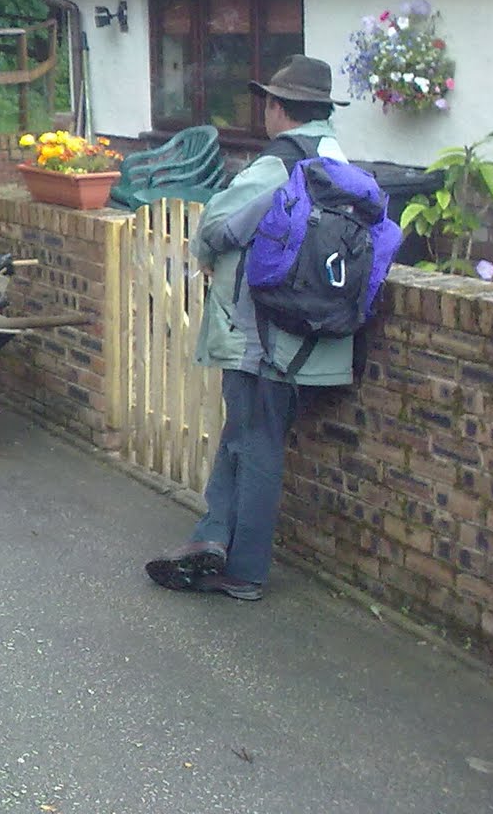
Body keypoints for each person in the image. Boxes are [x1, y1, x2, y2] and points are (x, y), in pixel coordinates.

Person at [145, 55, 354, 602]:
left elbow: (216, 224)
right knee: (243, 437)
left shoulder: (279, 163)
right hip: (315, 335)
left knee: (257, 445)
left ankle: (244, 573)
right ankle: (212, 538)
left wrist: (205, 254)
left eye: (267, 102)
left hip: (264, 337)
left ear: (278, 108)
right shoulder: (341, 160)